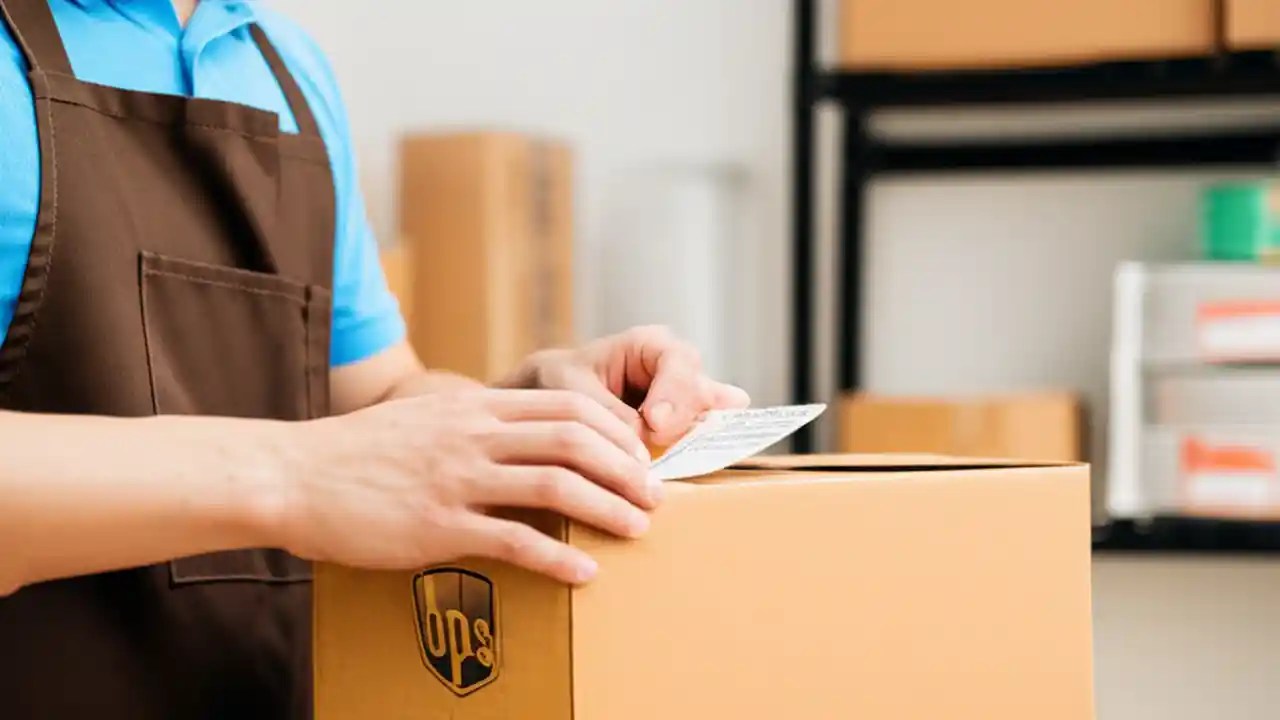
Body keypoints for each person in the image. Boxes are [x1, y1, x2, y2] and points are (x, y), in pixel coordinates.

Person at [0, 0, 749, 717]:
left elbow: (376, 391)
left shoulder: (284, 69)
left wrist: (532, 404)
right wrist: (296, 476)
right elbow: (329, 462)